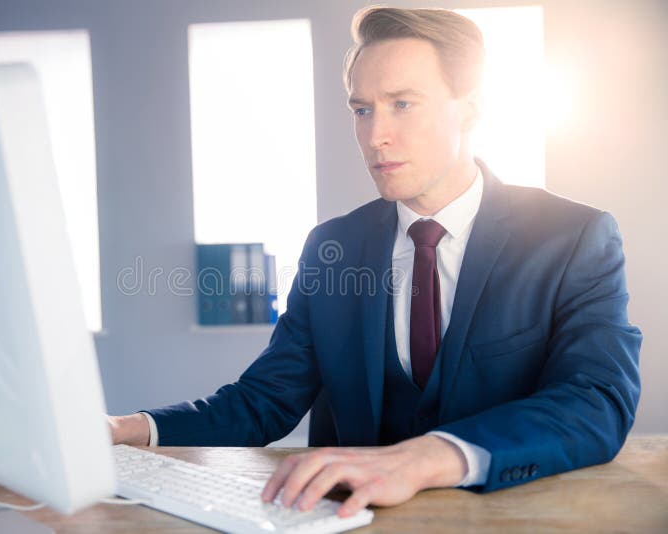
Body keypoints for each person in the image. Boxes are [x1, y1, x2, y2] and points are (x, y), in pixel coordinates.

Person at [109, 6, 641, 518]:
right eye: (362, 110)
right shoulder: (332, 248)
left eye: (402, 104)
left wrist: (431, 456)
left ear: (471, 108)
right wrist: (133, 427)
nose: (375, 136)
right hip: (353, 519)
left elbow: (597, 400)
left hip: (515, 517)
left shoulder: (572, 237)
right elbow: (263, 401)